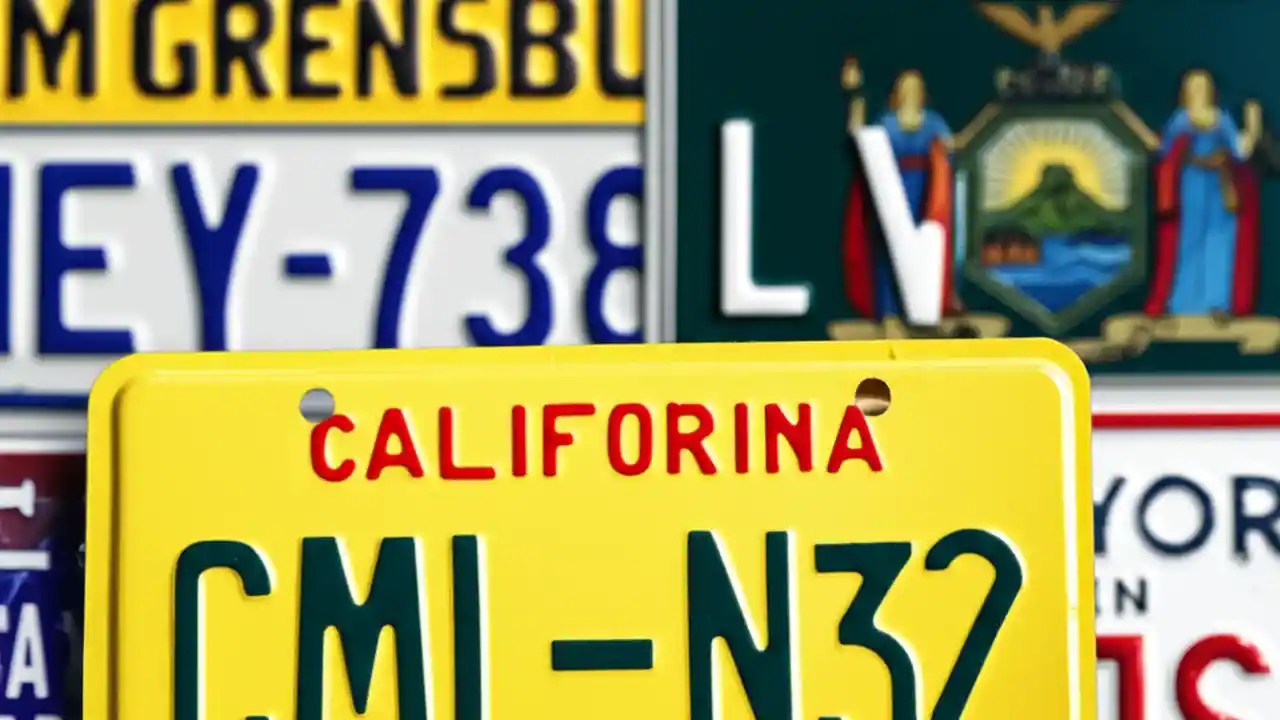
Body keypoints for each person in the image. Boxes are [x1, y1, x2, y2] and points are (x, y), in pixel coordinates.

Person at [842, 61, 960, 321]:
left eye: (915, 87)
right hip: (893, 190)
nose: (911, 92)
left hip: (924, 193)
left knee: (930, 248)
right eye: (906, 87)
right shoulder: (886, 122)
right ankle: (889, 312)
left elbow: (950, 146)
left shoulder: (932, 122)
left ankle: (929, 310)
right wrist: (856, 98)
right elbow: (859, 135)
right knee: (886, 252)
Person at [1145, 69, 1262, 319]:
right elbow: (1163, 149)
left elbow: (1240, 151)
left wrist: (1253, 125)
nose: (1198, 91)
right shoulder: (1180, 119)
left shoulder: (1221, 119)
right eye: (1193, 86)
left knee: (1219, 243)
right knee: (1188, 243)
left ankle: (1216, 303)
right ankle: (1183, 304)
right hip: (1191, 187)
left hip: (1218, 189)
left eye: (1203, 86)